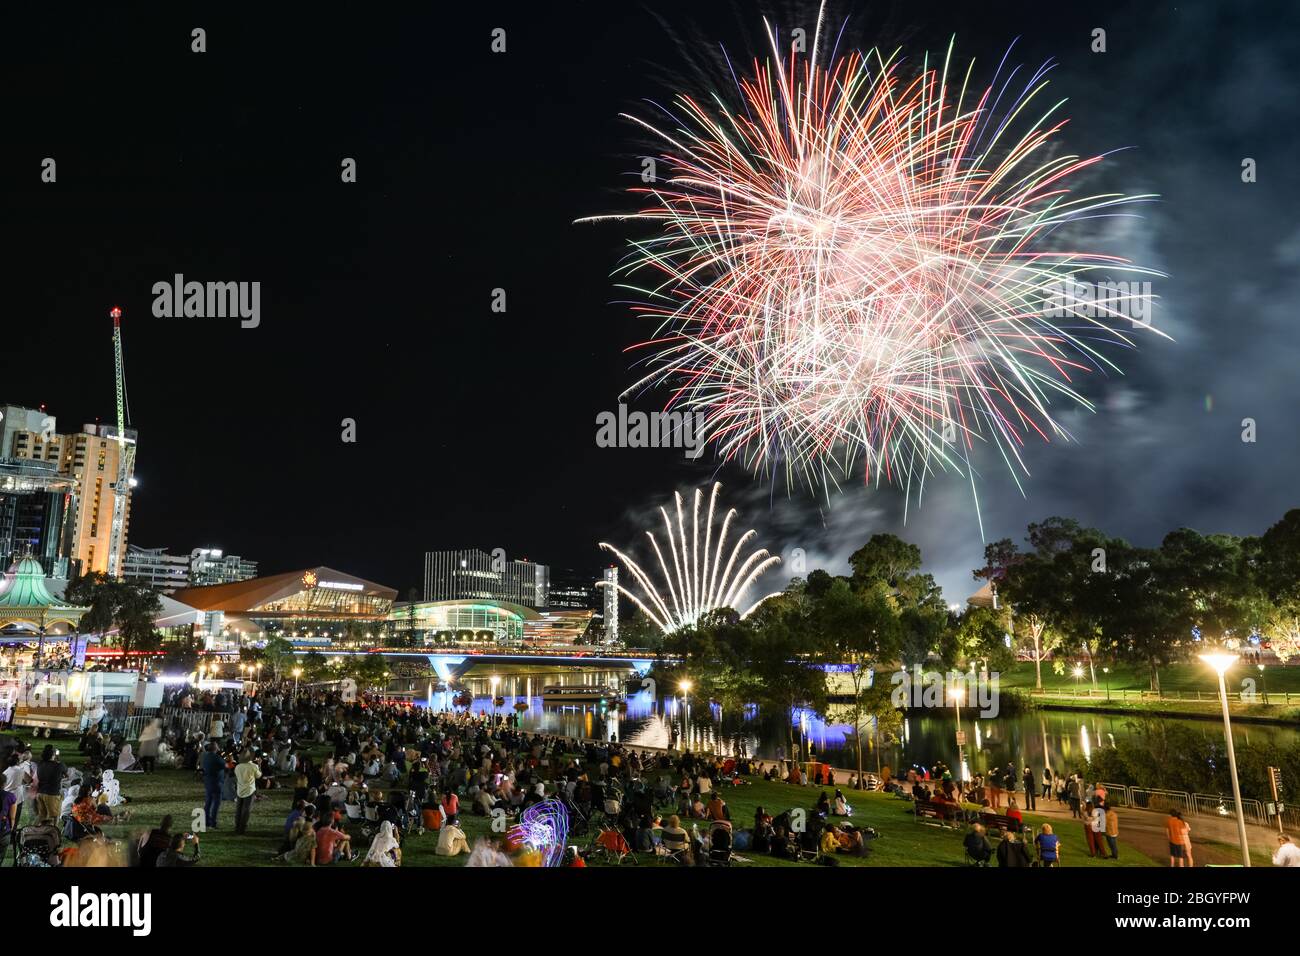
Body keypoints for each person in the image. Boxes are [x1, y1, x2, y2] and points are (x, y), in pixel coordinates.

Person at [233, 750, 262, 835]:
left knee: (238, 809)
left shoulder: (238, 767)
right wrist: (259, 765)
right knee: (246, 810)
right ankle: (242, 829)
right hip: (249, 790)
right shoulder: (253, 766)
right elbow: (259, 775)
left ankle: (237, 827)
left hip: (240, 790)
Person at [35, 745, 63, 823]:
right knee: (55, 816)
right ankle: (55, 832)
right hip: (52, 794)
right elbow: (66, 771)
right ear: (53, 755)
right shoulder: (58, 765)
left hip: (40, 792)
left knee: (41, 815)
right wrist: (58, 759)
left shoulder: (40, 764)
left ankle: (34, 830)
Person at [200, 742, 224, 829]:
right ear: (215, 748)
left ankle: (206, 821)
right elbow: (226, 765)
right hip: (217, 783)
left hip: (208, 782)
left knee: (208, 802)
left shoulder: (206, 756)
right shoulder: (217, 758)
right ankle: (213, 822)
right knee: (216, 804)